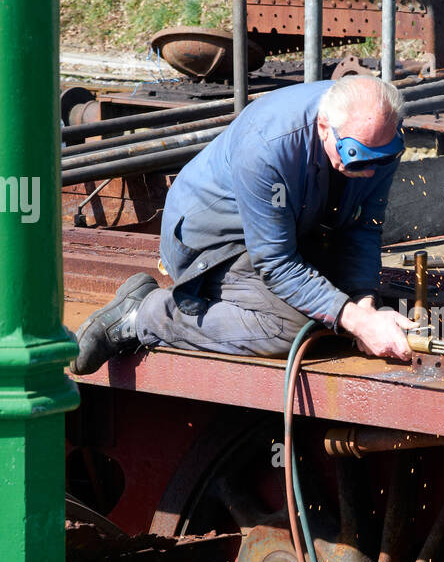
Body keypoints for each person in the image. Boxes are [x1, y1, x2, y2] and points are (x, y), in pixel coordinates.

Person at [70, 74, 415, 374]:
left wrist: (364, 304)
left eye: (379, 160)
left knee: (350, 303)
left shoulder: (376, 135)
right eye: (355, 157)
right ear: (325, 126)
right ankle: (143, 315)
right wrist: (355, 321)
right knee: (293, 325)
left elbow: (363, 227)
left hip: (287, 226)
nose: (369, 171)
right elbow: (276, 263)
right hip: (214, 241)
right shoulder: (269, 147)